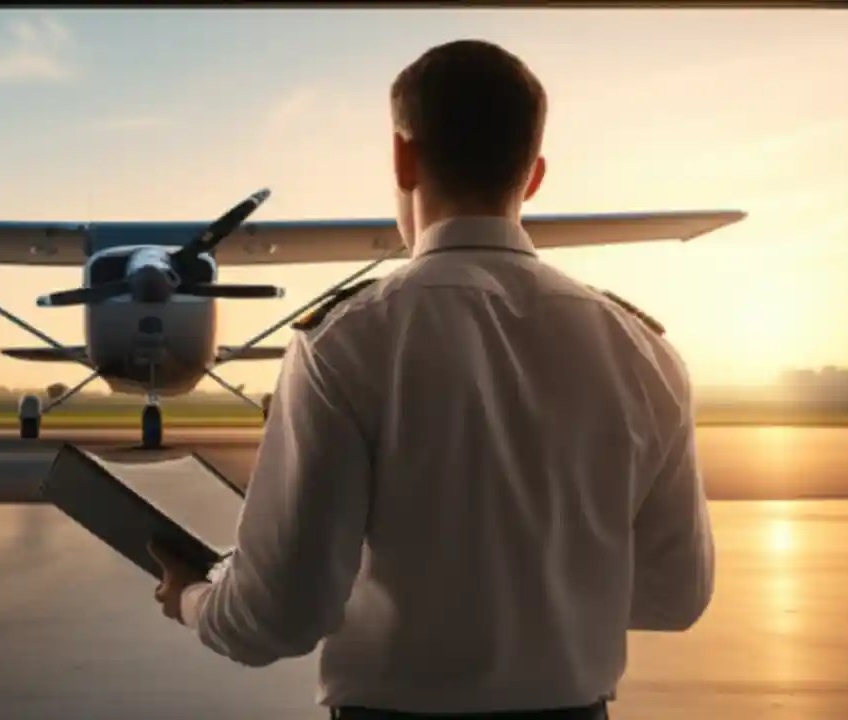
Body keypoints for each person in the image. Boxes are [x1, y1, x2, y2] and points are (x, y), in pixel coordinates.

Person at [149, 38, 715, 719]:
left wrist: (190, 597)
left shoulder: (343, 343)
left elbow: (278, 615)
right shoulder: (646, 355)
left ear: (402, 156)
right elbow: (676, 595)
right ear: (533, 176)